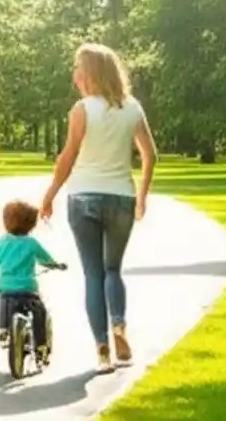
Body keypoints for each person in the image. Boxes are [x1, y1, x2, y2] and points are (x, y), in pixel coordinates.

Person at [40, 43, 157, 374]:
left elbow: (68, 157)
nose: (75, 74)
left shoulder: (81, 110)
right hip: (121, 197)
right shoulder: (132, 108)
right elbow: (150, 154)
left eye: (79, 68)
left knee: (93, 273)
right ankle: (119, 324)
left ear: (90, 73)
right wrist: (143, 195)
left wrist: (50, 194)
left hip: (83, 198)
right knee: (112, 270)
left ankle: (102, 349)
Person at [0, 200, 61, 365]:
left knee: (4, 301)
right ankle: (41, 346)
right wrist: (55, 265)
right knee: (39, 311)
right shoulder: (31, 243)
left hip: (5, 286)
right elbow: (45, 259)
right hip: (27, 288)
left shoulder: (2, 242)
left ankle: (4, 330)